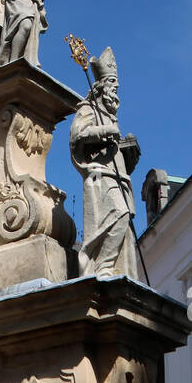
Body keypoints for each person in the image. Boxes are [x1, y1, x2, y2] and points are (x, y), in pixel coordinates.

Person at [69, 47, 140, 278]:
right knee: (119, 214)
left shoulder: (110, 115)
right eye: (112, 85)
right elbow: (77, 136)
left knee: (124, 218)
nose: (116, 90)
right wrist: (105, 131)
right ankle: (103, 266)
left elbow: (115, 153)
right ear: (101, 87)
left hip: (119, 177)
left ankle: (112, 267)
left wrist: (129, 153)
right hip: (100, 176)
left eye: (117, 87)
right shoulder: (89, 109)